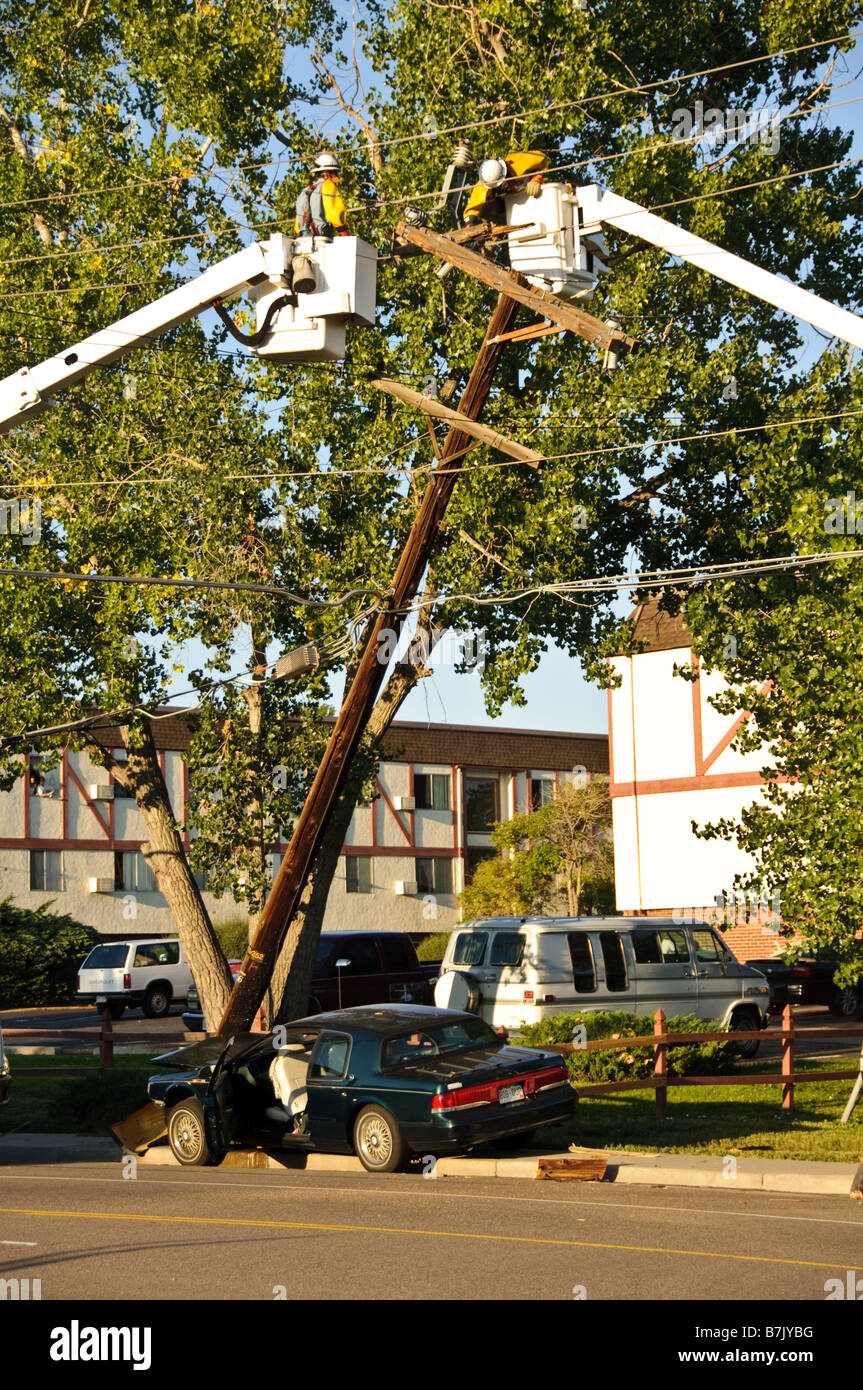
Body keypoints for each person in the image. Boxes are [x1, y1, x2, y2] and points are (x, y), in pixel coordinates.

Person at [463, 150, 548, 226]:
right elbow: (472, 207)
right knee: (485, 208)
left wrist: (536, 179)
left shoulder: (522, 162)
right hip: (512, 206)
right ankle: (503, 225)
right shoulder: (486, 182)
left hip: (534, 200)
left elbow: (543, 160)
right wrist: (470, 223)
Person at [294, 151, 351, 240]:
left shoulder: (305, 191)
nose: (336, 177)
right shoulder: (328, 185)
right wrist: (348, 238)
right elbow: (335, 215)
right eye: (335, 173)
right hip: (322, 239)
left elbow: (297, 224)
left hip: (302, 241)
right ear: (328, 173)